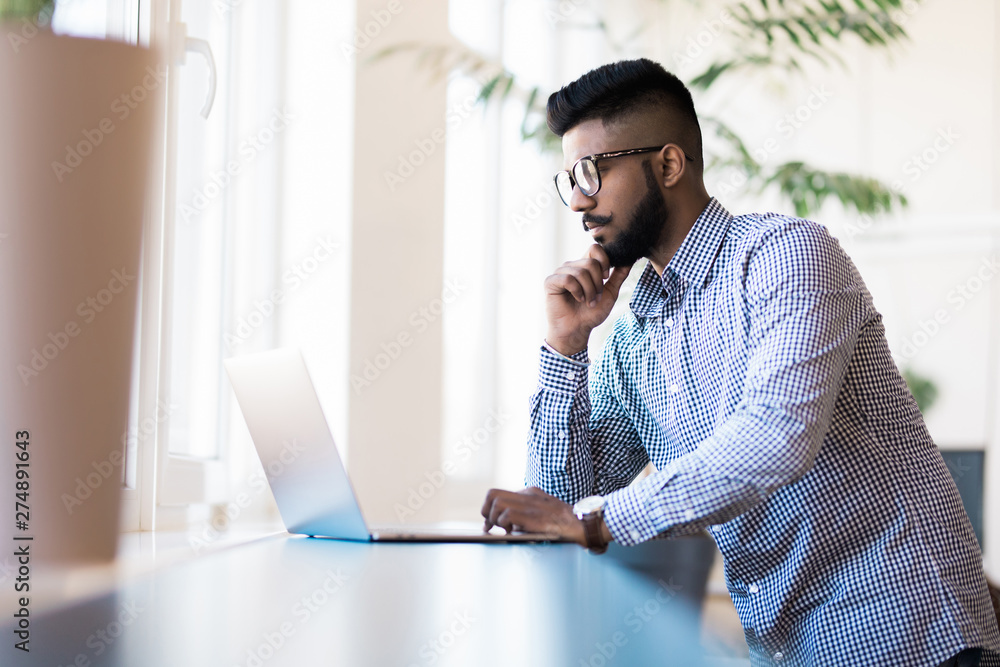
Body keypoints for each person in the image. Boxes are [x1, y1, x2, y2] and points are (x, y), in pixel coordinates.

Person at [480, 58, 1000, 666]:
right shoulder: (632, 335)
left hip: (906, 636)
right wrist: (565, 347)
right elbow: (567, 506)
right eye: (569, 179)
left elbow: (776, 439)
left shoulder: (787, 256)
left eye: (591, 172)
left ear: (668, 165)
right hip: (787, 650)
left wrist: (596, 521)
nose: (578, 203)